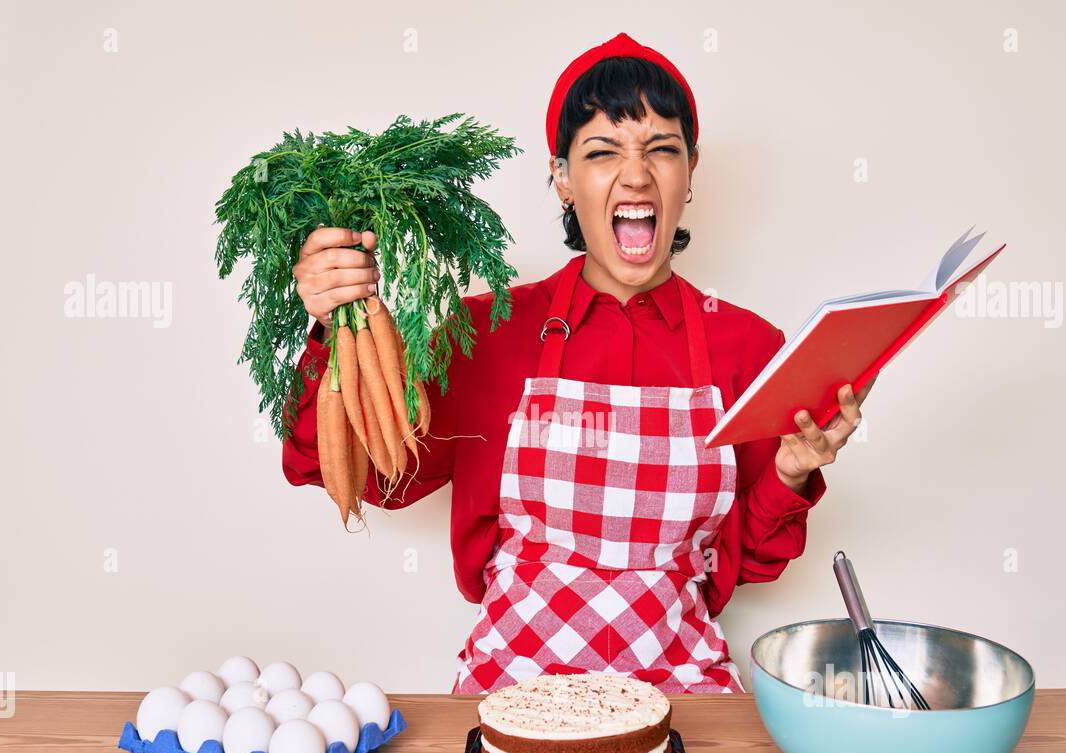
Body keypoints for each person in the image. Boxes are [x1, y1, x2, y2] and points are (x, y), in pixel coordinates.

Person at [282, 33, 871, 695]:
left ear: (690, 172)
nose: (637, 174)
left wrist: (791, 473)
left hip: (684, 701)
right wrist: (338, 327)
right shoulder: (487, 334)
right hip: (511, 700)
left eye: (662, 150)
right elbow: (357, 472)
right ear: (562, 177)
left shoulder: (749, 348)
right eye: (601, 152)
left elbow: (757, 563)